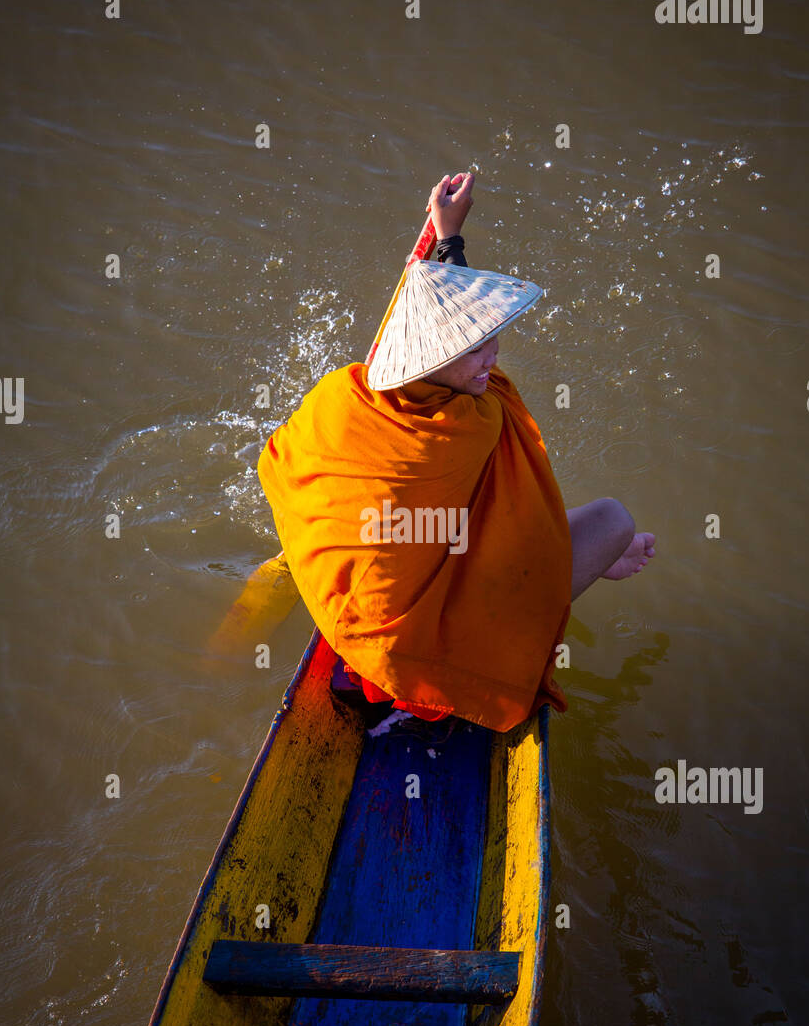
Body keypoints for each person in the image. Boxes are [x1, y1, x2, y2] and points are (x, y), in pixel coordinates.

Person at [257, 171, 655, 733]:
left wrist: (448, 238)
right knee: (613, 520)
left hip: (344, 612)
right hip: (414, 667)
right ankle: (430, 700)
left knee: (455, 526)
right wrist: (448, 239)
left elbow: (410, 312)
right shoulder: (473, 424)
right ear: (429, 359)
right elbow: (509, 528)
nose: (490, 359)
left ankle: (583, 561)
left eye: (491, 337)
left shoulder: (346, 394)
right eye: (472, 349)